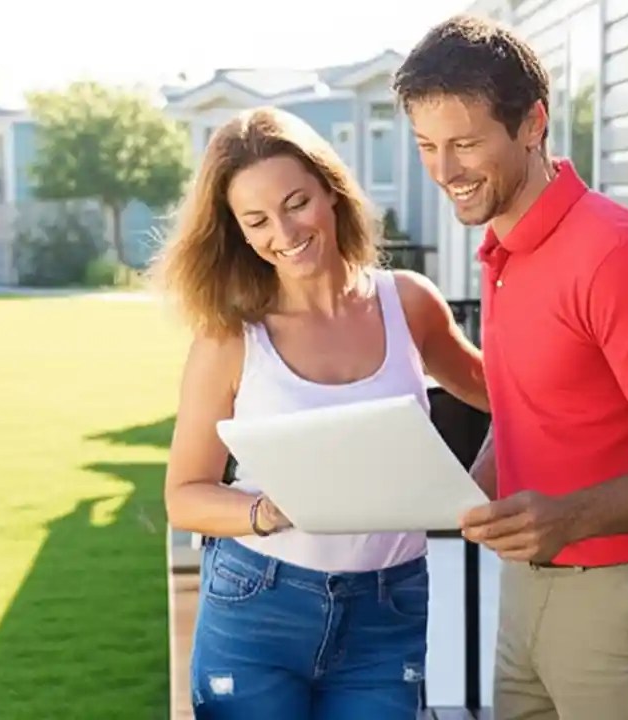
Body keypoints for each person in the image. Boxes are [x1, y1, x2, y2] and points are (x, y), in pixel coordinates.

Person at [394, 15, 628, 720]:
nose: (444, 171)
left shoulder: (616, 256)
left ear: (532, 123)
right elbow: (530, 408)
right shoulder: (504, 253)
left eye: (464, 143)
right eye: (428, 146)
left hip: (623, 597)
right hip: (529, 588)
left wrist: (571, 517)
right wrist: (467, 488)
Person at [150, 106, 488, 720]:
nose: (283, 231)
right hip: (261, 602)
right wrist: (266, 510)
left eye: (296, 202)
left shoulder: (408, 303)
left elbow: (505, 395)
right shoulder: (230, 339)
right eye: (257, 220)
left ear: (332, 192)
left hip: (388, 607)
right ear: (239, 234)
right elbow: (185, 496)